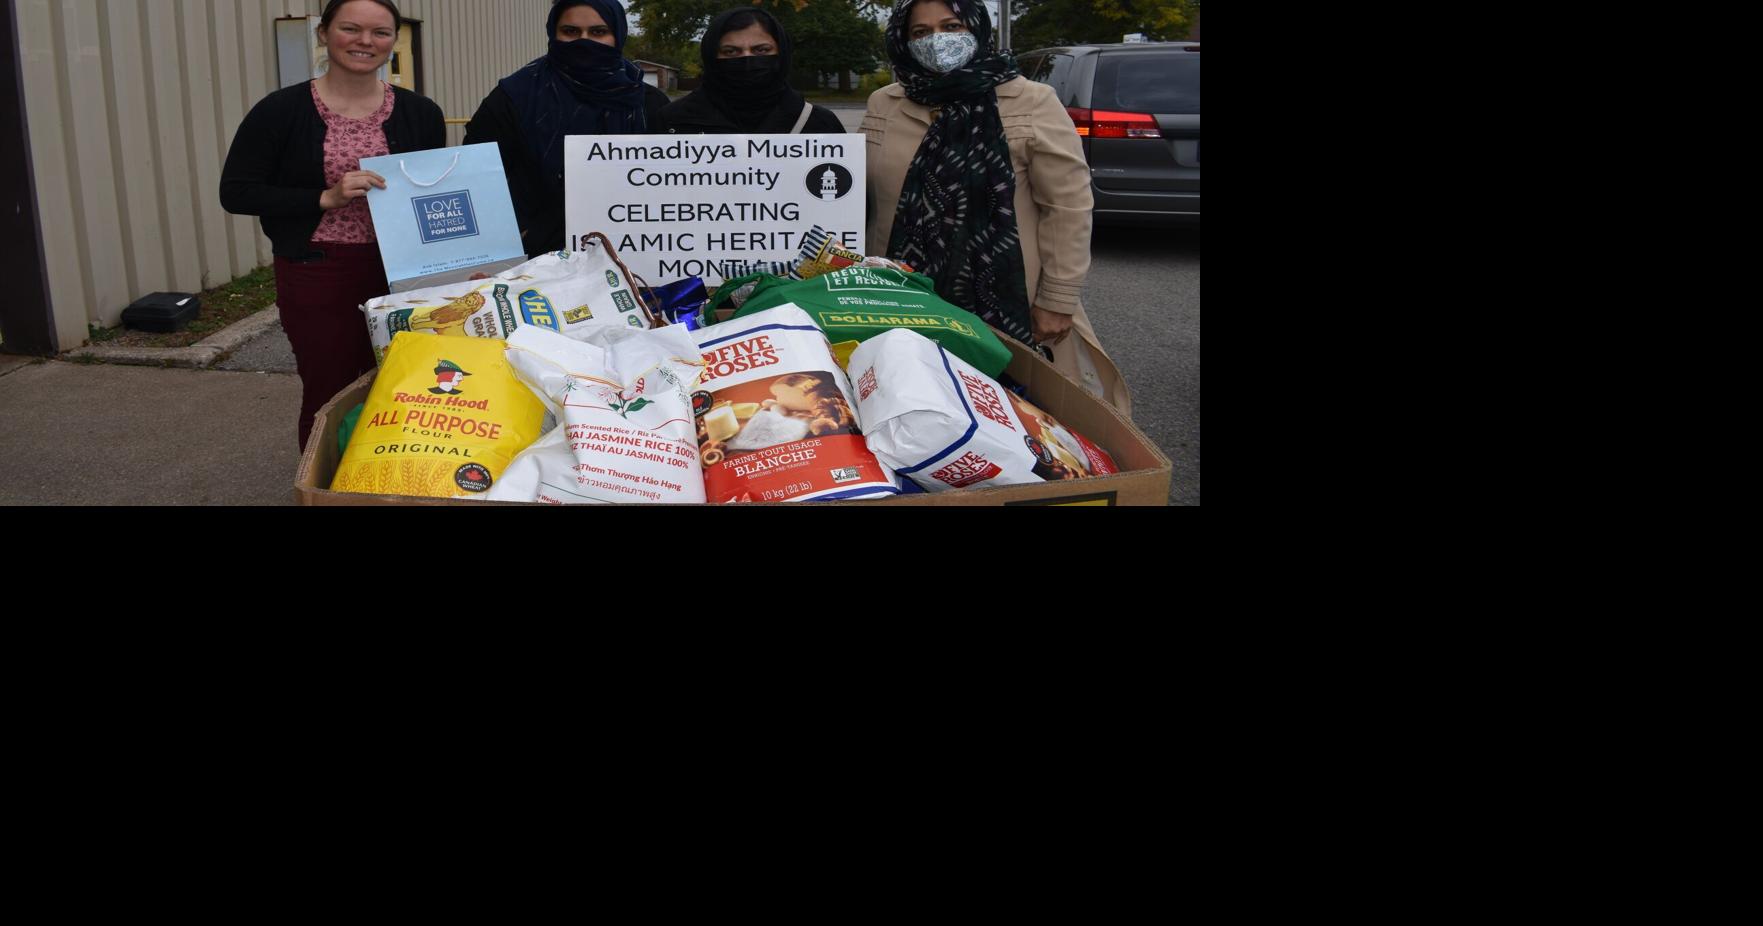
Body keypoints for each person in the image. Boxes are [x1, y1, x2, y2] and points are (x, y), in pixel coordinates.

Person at [863, 0, 1131, 413]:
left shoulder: (1032, 99)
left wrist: (1057, 300)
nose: (937, 40)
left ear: (976, 29)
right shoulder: (885, 103)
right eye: (921, 32)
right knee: (910, 410)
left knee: (1016, 417)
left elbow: (1068, 205)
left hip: (1007, 303)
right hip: (903, 298)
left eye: (951, 26)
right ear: (902, 40)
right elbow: (855, 192)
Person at [220, 0, 446, 450]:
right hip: (319, 269)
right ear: (324, 34)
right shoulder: (281, 110)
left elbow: (433, 197)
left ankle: (389, 480)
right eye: (351, 29)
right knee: (330, 389)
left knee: (408, 385)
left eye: (380, 32)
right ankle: (323, 490)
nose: (365, 41)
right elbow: (237, 191)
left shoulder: (421, 112)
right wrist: (323, 198)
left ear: (392, 41)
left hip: (403, 272)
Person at [465, 0, 671, 258]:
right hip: (535, 260)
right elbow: (475, 175)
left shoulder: (647, 101)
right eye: (571, 32)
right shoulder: (514, 96)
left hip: (634, 253)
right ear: (554, 33)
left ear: (617, 35)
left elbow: (669, 183)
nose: (583, 42)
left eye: (598, 32)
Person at [658, 6, 845, 135]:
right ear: (711, 56)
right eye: (731, 51)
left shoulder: (819, 122)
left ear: (782, 52)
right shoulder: (671, 121)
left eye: (761, 50)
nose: (747, 60)